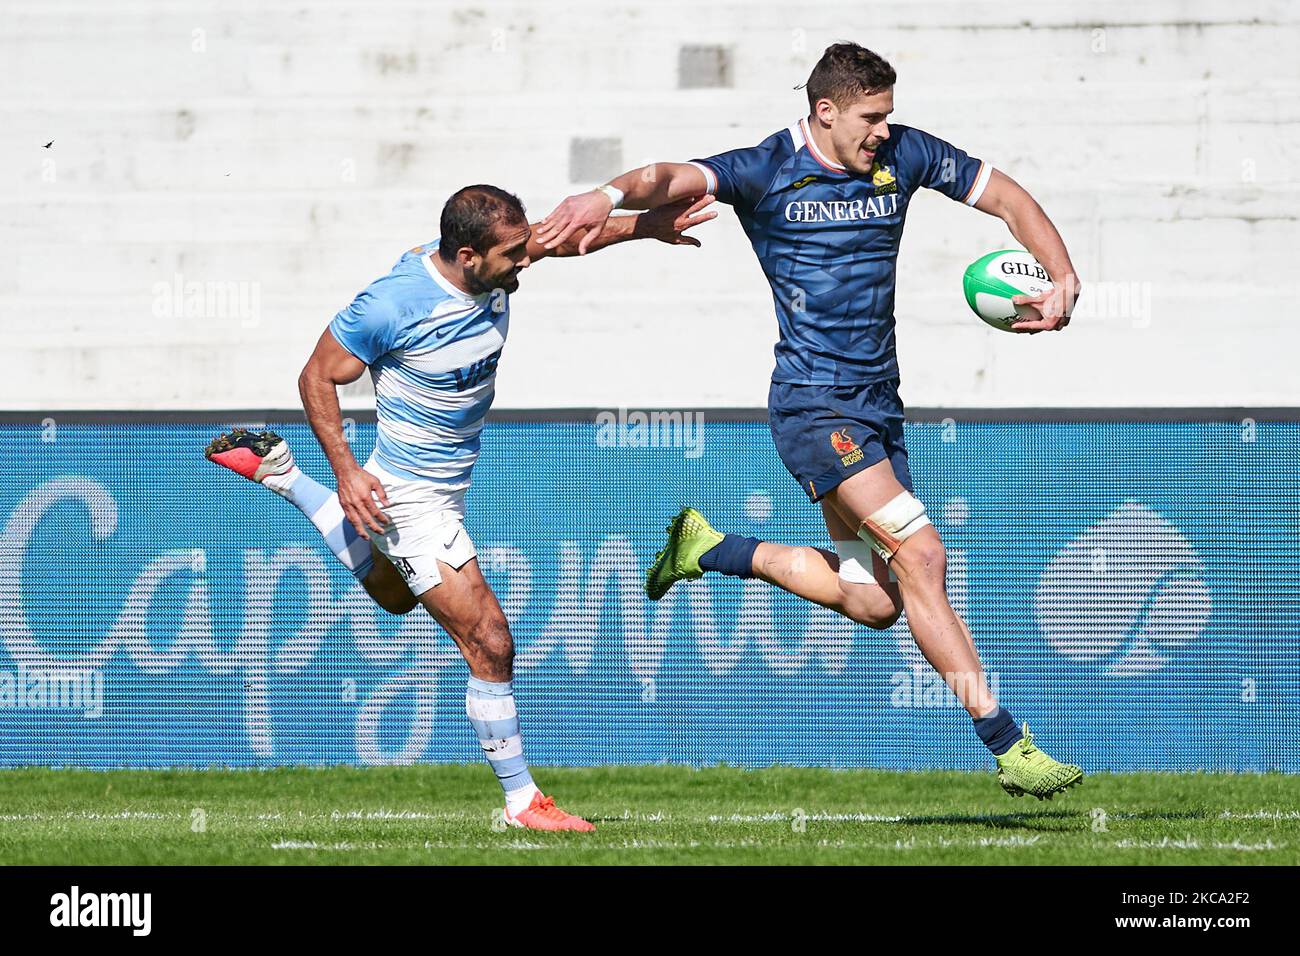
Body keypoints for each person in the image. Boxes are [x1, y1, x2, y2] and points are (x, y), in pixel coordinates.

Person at [537, 43, 1083, 800]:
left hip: (879, 405)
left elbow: (1007, 199)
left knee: (877, 602)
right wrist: (605, 195)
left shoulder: (906, 156)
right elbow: (669, 177)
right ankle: (1007, 740)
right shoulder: (765, 168)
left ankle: (711, 548)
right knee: (922, 557)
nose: (883, 131)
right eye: (871, 117)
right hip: (812, 404)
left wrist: (1061, 274)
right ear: (825, 112)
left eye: (888, 116)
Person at [205, 185, 715, 828]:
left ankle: (283, 476)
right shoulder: (393, 303)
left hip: (440, 489)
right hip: (413, 497)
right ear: (468, 256)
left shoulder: (502, 256)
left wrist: (646, 226)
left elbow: (564, 239)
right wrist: (345, 471)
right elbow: (315, 374)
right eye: (512, 255)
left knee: (393, 596)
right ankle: (522, 801)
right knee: (490, 640)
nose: (526, 262)